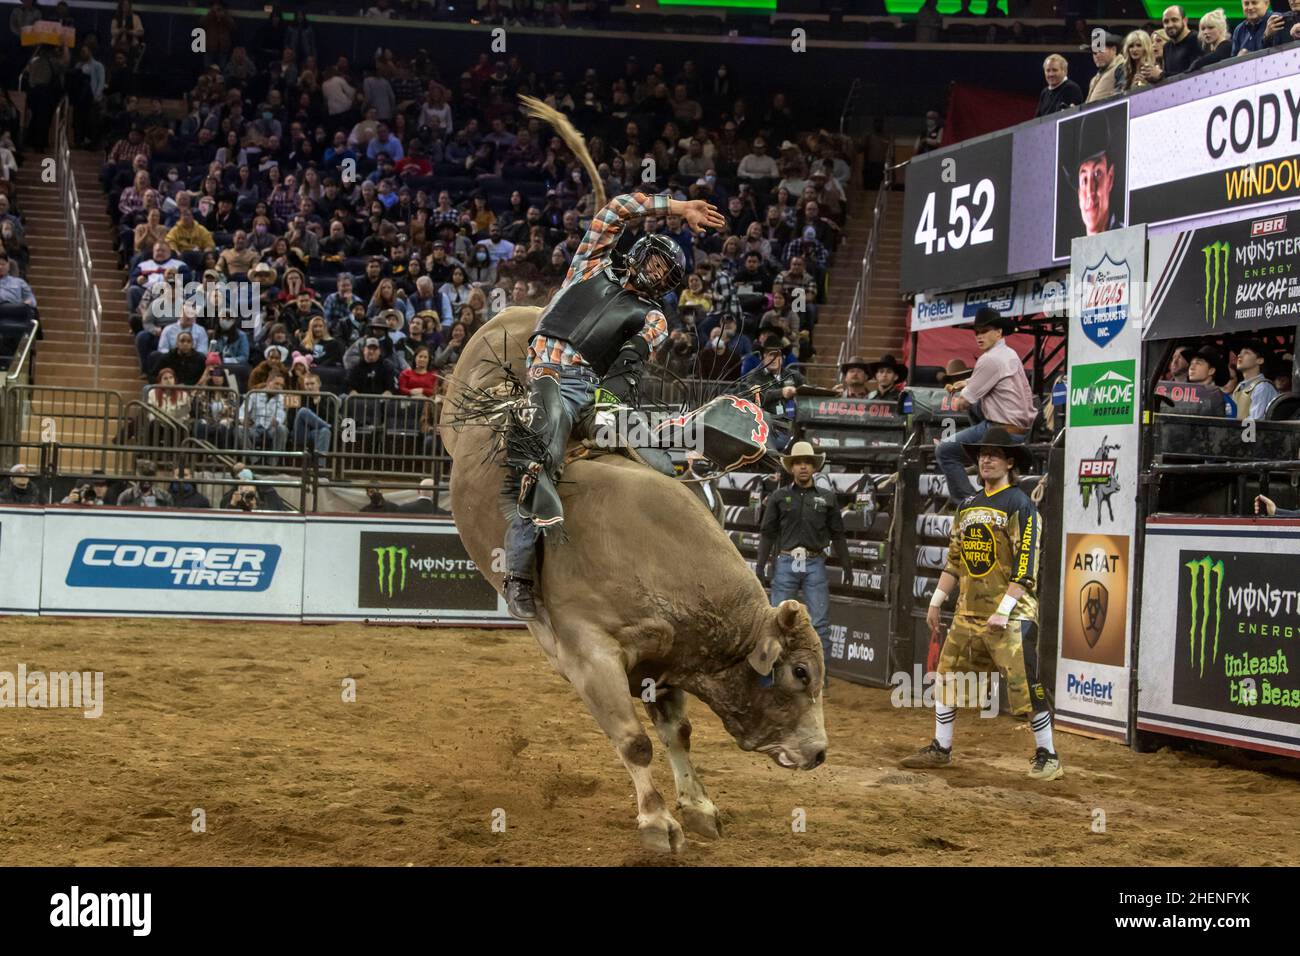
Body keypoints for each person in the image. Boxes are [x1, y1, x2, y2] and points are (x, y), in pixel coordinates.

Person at [500, 190, 724, 620]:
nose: (657, 274)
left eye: (665, 273)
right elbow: (617, 210)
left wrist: (611, 399)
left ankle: (692, 504)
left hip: (595, 390)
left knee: (651, 439)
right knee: (542, 449)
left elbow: (632, 361)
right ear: (641, 252)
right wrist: (678, 209)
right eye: (656, 262)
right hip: (550, 376)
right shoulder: (592, 263)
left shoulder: (653, 316)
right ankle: (519, 572)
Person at [900, 428, 1060, 781]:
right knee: (946, 677)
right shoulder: (968, 506)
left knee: (1024, 683)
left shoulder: (1021, 504)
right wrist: (937, 600)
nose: (986, 459)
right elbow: (955, 559)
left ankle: (1047, 753)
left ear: (1010, 462)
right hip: (968, 613)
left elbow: (1026, 566)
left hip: (1012, 613)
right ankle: (941, 747)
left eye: (995, 454)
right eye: (982, 454)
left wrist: (1003, 611)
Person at [754, 441, 852, 692]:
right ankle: (767, 677)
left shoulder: (826, 499)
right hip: (787, 560)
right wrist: (761, 564)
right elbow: (767, 532)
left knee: (819, 622)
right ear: (792, 468)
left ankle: (820, 680)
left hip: (813, 560)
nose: (803, 467)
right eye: (798, 463)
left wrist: (846, 565)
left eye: (807, 463)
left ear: (814, 467)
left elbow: (838, 534)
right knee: (776, 620)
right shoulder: (778, 497)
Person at [935, 308, 1036, 505]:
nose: (980, 336)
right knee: (980, 402)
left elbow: (963, 403)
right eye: (977, 332)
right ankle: (977, 461)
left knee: (944, 451)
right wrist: (966, 383)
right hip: (1021, 429)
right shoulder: (1010, 353)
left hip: (1000, 430)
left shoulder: (988, 359)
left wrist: (954, 399)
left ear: (998, 332)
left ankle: (969, 502)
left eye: (985, 331)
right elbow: (991, 379)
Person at [1069, 107, 1123, 237]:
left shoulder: (1127, 238)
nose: (1090, 192)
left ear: (1110, 179)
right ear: (1078, 193)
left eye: (1097, 174)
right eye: (1084, 180)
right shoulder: (1075, 252)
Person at [1234, 340, 1281, 421]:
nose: (1239, 356)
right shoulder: (1240, 386)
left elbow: (1257, 422)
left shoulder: (1262, 387)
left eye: (1246, 353)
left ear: (1260, 360)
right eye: (1240, 353)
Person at [1085, 32, 1125, 103]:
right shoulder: (1095, 78)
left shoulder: (1121, 67)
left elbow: (1121, 96)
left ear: (1113, 50)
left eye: (1100, 50)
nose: (1096, 55)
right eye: (1094, 53)